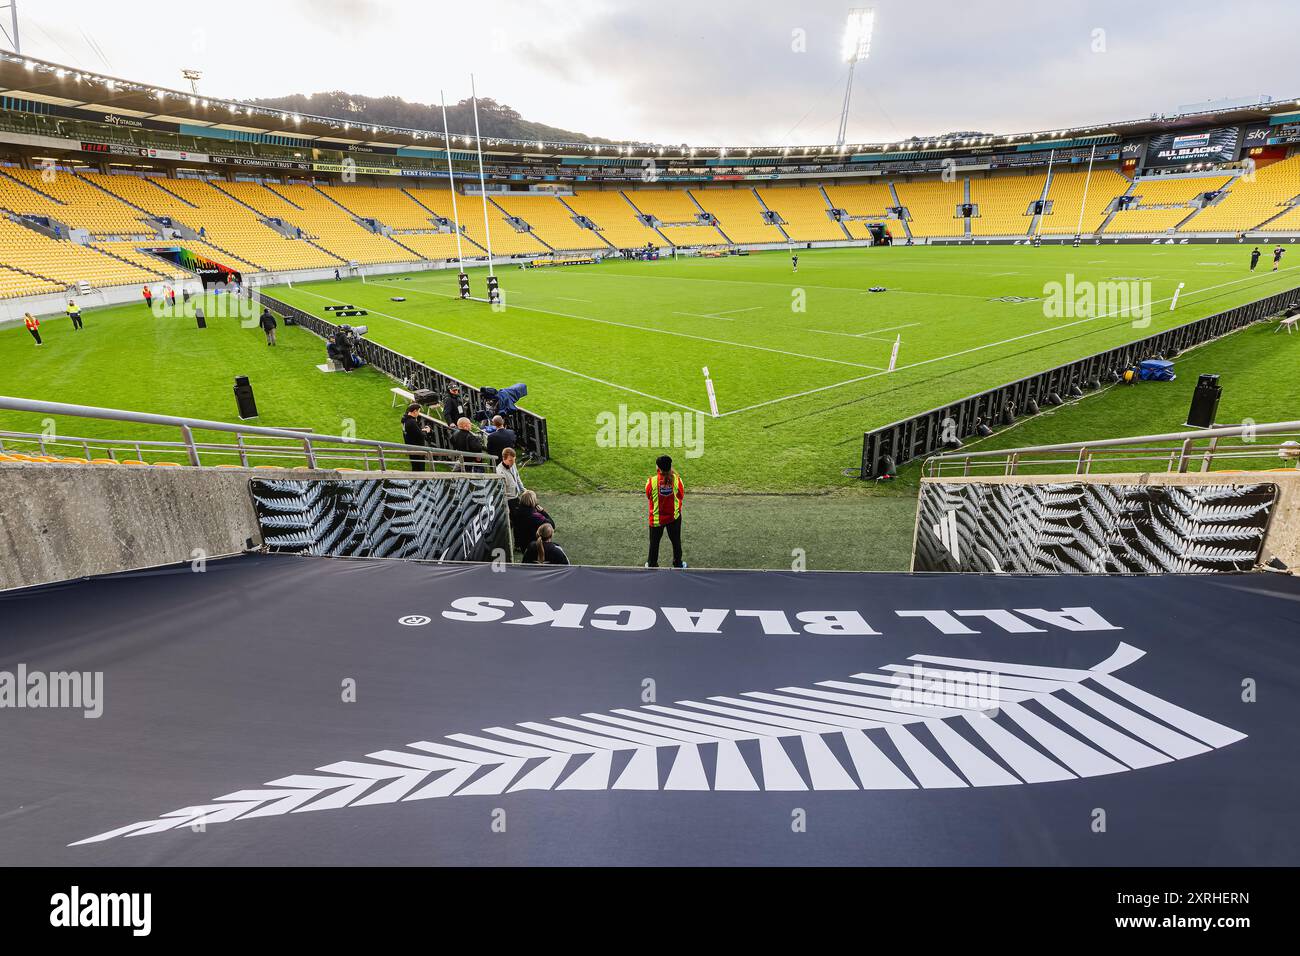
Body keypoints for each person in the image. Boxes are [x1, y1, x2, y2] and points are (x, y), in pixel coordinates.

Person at [645, 454, 686, 569]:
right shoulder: (677, 480)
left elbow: (649, 496)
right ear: (670, 466)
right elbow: (681, 495)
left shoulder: (651, 481)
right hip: (674, 518)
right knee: (676, 542)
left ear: (658, 468)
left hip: (656, 519)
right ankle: (678, 564)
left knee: (654, 543)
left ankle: (652, 565)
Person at [401, 402, 431, 471]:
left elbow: (413, 432)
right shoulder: (412, 422)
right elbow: (421, 435)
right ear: (414, 411)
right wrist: (427, 431)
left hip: (410, 446)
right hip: (417, 448)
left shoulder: (404, 419)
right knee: (419, 467)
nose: (418, 413)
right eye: (418, 412)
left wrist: (421, 429)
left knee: (414, 466)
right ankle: (420, 481)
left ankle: (415, 480)